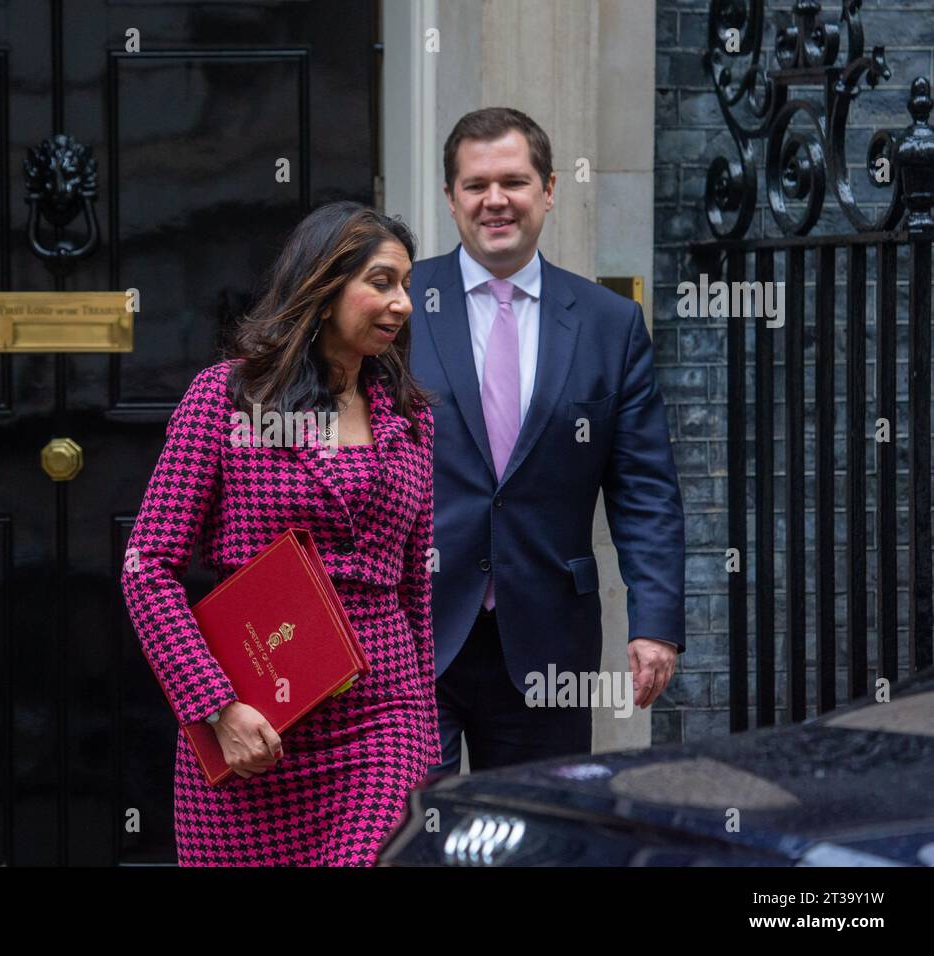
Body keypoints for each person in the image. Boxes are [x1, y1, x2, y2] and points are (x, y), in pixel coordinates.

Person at [121, 201, 438, 865]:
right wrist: (214, 706)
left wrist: (425, 731)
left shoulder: (411, 420)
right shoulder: (224, 400)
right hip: (251, 709)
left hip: (383, 719)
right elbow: (149, 566)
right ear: (322, 288)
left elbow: (416, 589)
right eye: (382, 282)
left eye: (407, 285)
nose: (402, 302)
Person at [407, 107, 685, 773]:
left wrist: (655, 623)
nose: (495, 200)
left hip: (549, 644)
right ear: (450, 199)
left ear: (550, 189)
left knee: (536, 834)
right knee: (418, 832)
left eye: (515, 181)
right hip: (413, 632)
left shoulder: (609, 323)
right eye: (475, 185)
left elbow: (644, 489)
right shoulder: (400, 307)